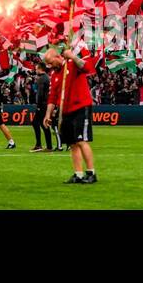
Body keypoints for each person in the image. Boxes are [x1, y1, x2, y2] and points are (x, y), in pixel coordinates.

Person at [46, 45, 97, 184]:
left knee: (81, 140)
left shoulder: (71, 64)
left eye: (51, 62)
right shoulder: (54, 75)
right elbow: (52, 96)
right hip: (66, 110)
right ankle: (78, 173)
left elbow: (87, 68)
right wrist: (48, 114)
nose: (49, 66)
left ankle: (91, 173)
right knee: (72, 143)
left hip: (81, 106)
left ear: (58, 56)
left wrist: (73, 56)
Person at [29, 56, 60, 152]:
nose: (35, 70)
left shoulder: (41, 79)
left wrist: (38, 105)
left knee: (38, 123)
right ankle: (47, 145)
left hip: (42, 105)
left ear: (39, 69)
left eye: (36, 68)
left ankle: (40, 145)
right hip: (45, 104)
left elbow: (40, 93)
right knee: (43, 124)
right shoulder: (46, 77)